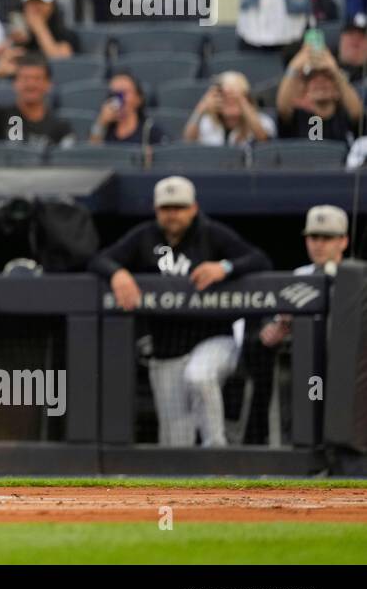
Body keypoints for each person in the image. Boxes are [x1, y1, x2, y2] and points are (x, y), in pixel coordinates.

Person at [90, 175, 273, 446]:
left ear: (193, 208)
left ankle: (216, 451)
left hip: (214, 339)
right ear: (156, 211)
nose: (172, 214)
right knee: (175, 442)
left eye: (179, 208)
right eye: (166, 208)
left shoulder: (211, 233)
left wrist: (224, 267)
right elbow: (98, 259)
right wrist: (117, 273)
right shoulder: (144, 236)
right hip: (166, 348)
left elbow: (260, 260)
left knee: (199, 376)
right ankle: (187, 485)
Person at [245, 203, 346, 444]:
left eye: (327, 238)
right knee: (296, 399)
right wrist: (276, 329)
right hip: (306, 367)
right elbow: (274, 323)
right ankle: (297, 461)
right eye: (313, 237)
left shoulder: (357, 275)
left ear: (343, 241)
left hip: (345, 367)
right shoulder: (298, 276)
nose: (319, 244)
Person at [0, 48, 76, 146]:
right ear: (15, 83)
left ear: (48, 84)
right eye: (25, 78)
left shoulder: (60, 126)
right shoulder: (0, 116)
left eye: (37, 79)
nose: (30, 85)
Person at [277, 40, 364, 142]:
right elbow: (282, 108)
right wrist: (295, 65)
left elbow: (357, 113)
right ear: (306, 89)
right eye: (313, 78)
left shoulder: (344, 116)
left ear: (337, 90)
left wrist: (334, 69)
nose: (320, 82)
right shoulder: (298, 117)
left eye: (327, 78)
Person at [184, 70, 277, 144]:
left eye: (235, 96)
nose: (230, 100)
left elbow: (264, 140)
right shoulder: (207, 122)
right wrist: (202, 107)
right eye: (223, 96)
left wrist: (242, 101)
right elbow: (188, 141)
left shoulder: (263, 121)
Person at [9, 0, 80, 58]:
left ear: (52, 5)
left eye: (40, 2)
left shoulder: (66, 36)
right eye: (31, 2)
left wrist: (39, 27)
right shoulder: (18, 37)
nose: (35, 8)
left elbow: (60, 60)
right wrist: (13, 42)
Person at [90, 70, 169, 145]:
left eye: (123, 93)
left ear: (138, 98)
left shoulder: (150, 131)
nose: (118, 99)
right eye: (114, 94)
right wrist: (101, 122)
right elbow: (93, 153)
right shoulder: (106, 129)